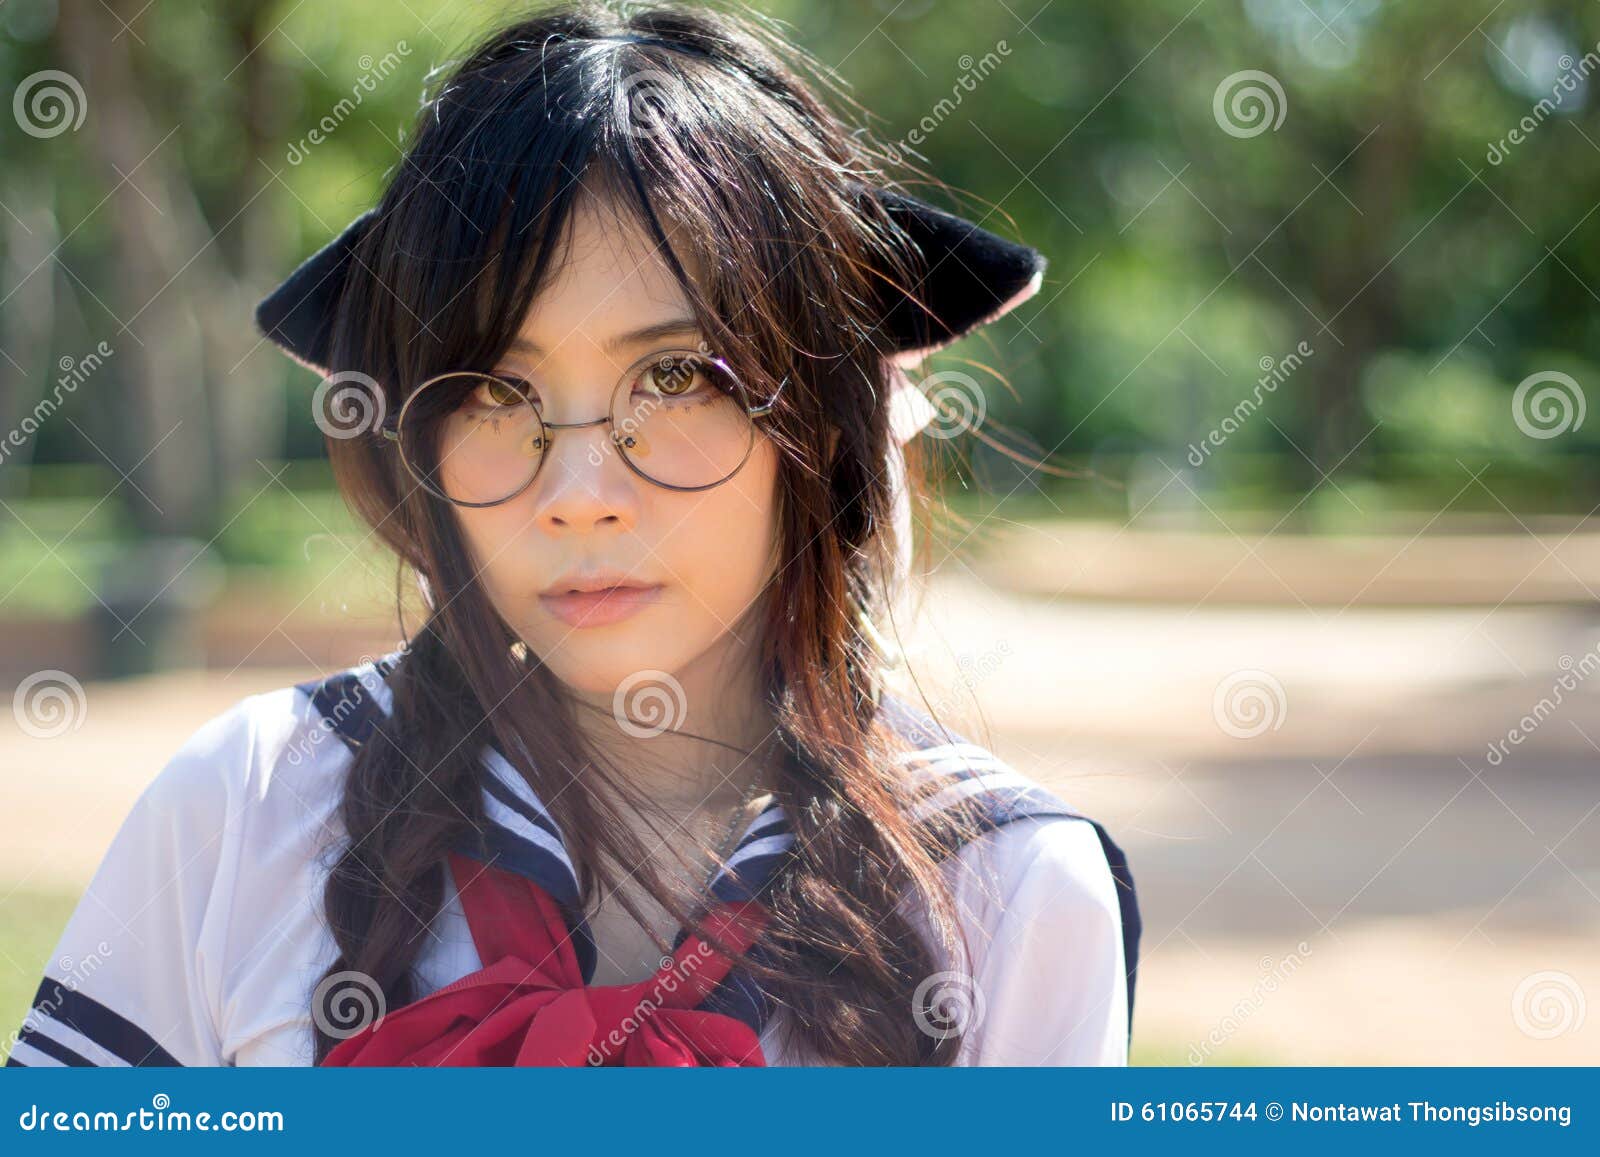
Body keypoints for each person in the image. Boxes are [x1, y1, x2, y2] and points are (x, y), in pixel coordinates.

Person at [6, 0, 1138, 1068]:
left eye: (680, 376)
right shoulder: (249, 806)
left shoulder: (1010, 892)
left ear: (826, 421)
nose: (579, 492)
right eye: (496, 390)